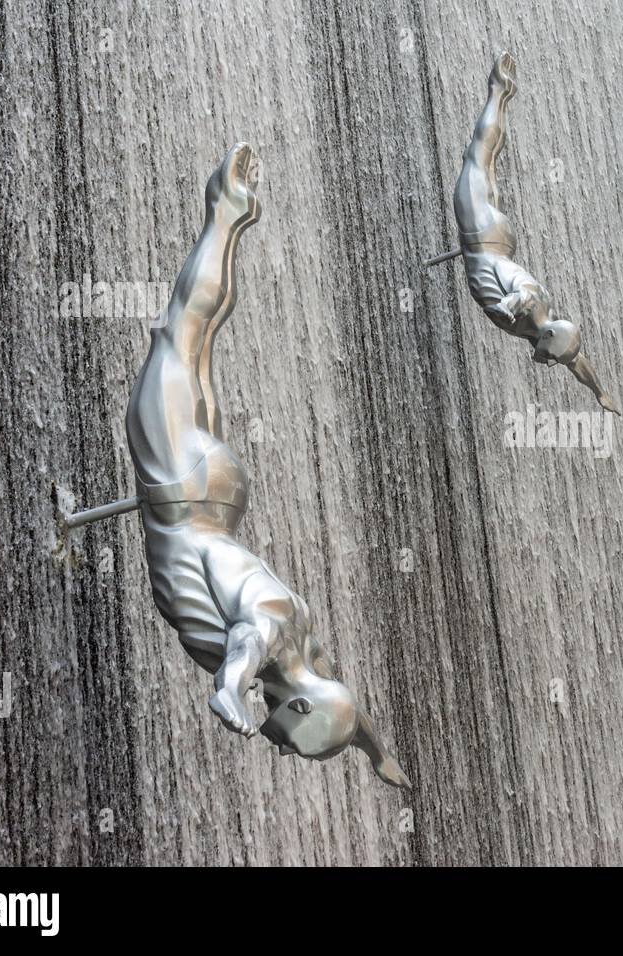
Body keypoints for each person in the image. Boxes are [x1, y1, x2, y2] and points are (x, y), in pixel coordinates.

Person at [124, 143, 410, 785]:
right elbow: (248, 644)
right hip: (181, 491)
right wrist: (228, 692)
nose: (277, 745)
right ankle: (225, 212)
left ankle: (234, 219)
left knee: (198, 343)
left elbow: (347, 709)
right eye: (286, 732)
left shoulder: (312, 653)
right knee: (183, 332)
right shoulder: (275, 635)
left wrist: (376, 753)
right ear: (299, 703)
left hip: (216, 497)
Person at [447, 52, 619, 414]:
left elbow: (577, 362)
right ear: (550, 335)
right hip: (480, 234)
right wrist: (513, 301)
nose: (548, 362)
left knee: (488, 160)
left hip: (496, 238)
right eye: (552, 356)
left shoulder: (547, 328)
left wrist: (599, 392)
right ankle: (497, 91)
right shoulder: (531, 306)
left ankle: (503, 96)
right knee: (477, 157)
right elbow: (520, 287)